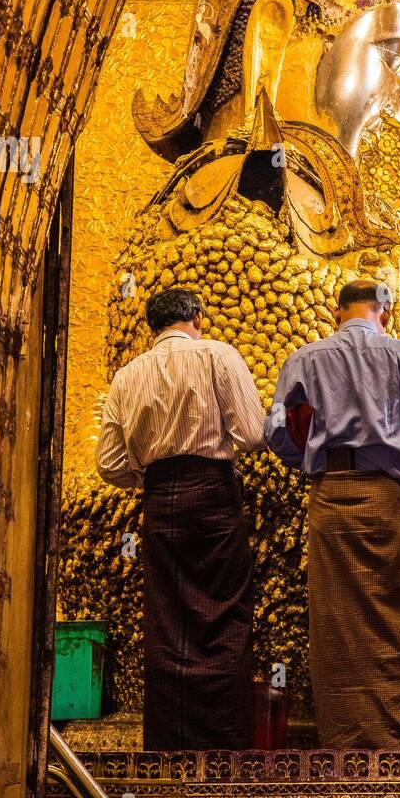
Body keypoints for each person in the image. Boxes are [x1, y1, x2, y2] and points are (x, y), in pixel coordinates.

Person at [265, 278, 400, 749]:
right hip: (386, 497)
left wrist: (306, 457)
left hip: (330, 496)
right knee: (395, 615)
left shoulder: (305, 359)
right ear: (386, 310)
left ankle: (344, 739)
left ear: (336, 310)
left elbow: (276, 430)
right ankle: (396, 739)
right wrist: (396, 451)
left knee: (335, 621)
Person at [95, 287, 265, 749]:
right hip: (212, 495)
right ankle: (224, 746)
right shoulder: (217, 356)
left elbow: (109, 463)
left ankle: (171, 746)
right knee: (224, 613)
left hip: (159, 500)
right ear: (197, 317)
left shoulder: (127, 376)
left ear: (153, 327)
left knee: (168, 621)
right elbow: (251, 435)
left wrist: (151, 474)